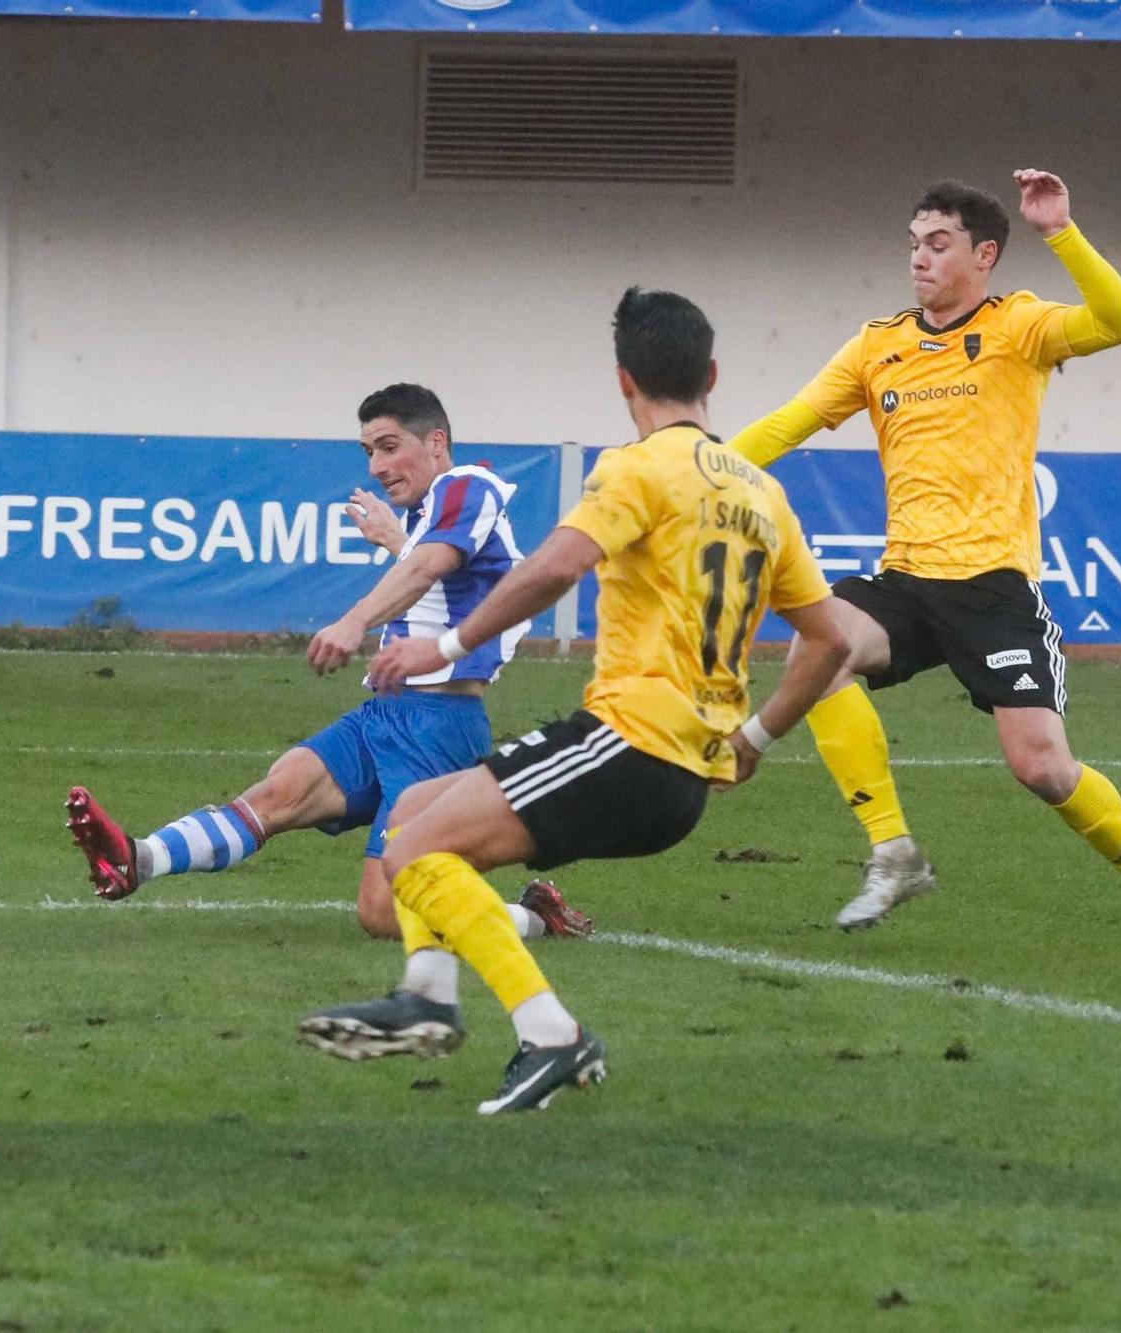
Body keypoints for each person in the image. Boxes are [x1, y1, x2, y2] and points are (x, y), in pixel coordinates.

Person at [300, 289, 849, 1114]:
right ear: (713, 374)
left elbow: (555, 566)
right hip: (684, 771)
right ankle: (426, 991)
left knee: (412, 852)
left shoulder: (638, 467)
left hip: (629, 743)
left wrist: (446, 646)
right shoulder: (762, 494)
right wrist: (761, 736)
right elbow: (831, 638)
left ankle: (549, 1033)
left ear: (625, 381)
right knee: (415, 808)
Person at [727, 170, 1121, 961]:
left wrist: (1061, 231)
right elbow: (788, 423)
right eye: (914, 243)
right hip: (905, 580)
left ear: (985, 255)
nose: (919, 258)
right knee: (825, 645)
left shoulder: (1019, 326)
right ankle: (893, 853)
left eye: (938, 244)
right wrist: (694, 464)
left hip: (994, 589)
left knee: (1043, 769)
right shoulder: (880, 344)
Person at [66, 383, 592, 943]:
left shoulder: (470, 485)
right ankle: (136, 860)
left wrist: (354, 621)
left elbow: (427, 571)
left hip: (439, 732)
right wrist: (399, 540)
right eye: (369, 452)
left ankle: (537, 916)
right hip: (385, 716)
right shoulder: (430, 516)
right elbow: (450, 578)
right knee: (280, 791)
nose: (377, 466)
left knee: (383, 916)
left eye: (389, 446)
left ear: (437, 442)